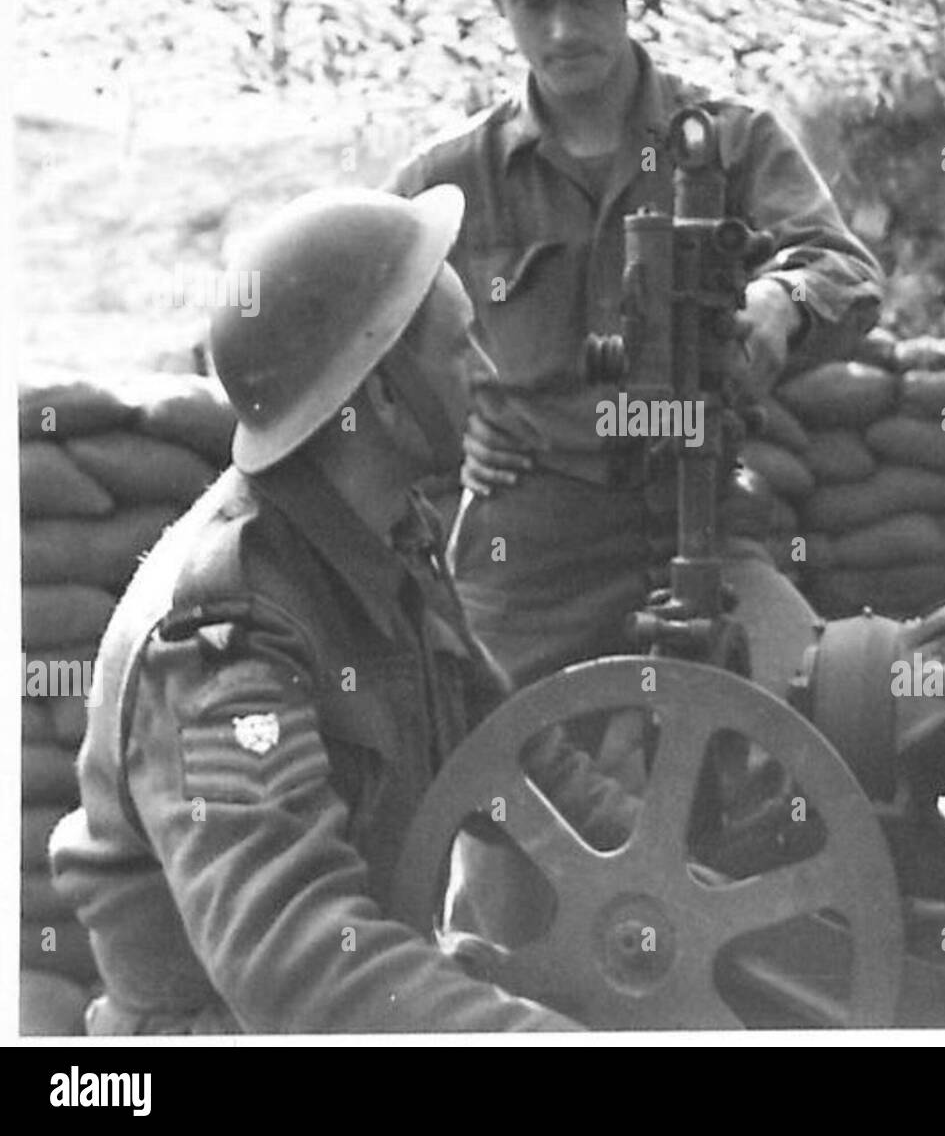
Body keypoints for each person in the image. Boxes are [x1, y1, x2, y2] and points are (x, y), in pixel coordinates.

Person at [49, 187, 632, 1034]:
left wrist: (672, 879)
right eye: (459, 344)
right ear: (384, 401)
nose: (490, 370)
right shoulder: (223, 633)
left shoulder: (386, 536)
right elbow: (299, 957)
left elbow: (514, 760)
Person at [383, 0, 886, 696]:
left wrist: (782, 301)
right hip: (532, 536)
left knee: (813, 716)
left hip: (699, 507)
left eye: (586, 0)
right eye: (532, 3)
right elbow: (358, 334)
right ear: (496, 0)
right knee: (483, 756)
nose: (562, 29)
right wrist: (451, 417)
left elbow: (846, 267)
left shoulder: (727, 141)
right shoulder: (449, 179)